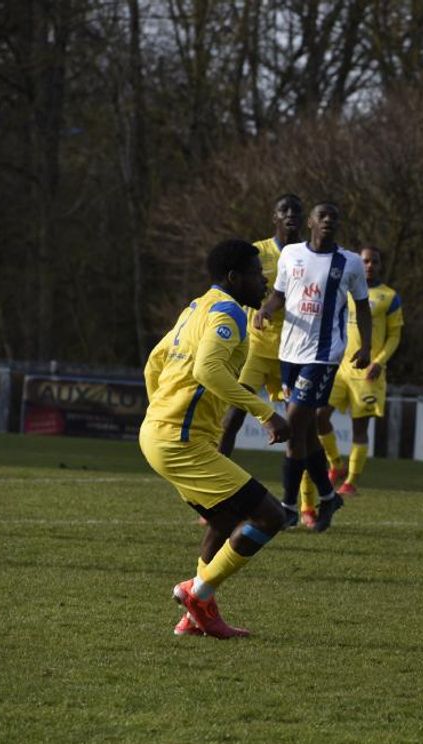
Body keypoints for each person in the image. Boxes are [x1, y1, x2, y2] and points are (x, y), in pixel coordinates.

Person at [139, 239, 292, 638]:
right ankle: (198, 592)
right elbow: (209, 370)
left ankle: (196, 618)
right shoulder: (229, 313)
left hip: (161, 435)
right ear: (234, 277)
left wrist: (162, 410)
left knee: (224, 518)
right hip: (178, 440)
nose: (265, 282)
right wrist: (266, 413)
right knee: (271, 515)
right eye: (259, 274)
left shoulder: (195, 307)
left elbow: (153, 363)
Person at [254, 201, 372, 533]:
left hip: (323, 355)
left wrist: (366, 345)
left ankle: (288, 507)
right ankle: (328, 495)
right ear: (310, 222)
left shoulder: (348, 262)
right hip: (289, 353)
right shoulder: (291, 255)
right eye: (323, 216)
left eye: (334, 217)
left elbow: (362, 307)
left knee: (292, 428)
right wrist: (265, 310)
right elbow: (279, 295)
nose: (329, 221)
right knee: (305, 434)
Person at [298, 245, 403, 525]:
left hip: (368, 372)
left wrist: (378, 361)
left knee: (360, 429)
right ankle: (336, 463)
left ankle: (351, 480)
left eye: (374, 262)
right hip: (337, 367)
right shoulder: (345, 290)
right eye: (365, 261)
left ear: (379, 265)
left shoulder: (389, 297)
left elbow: (394, 335)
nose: (369, 266)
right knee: (319, 417)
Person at [218, 194, 304, 457]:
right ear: (274, 217)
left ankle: (303, 497)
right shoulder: (257, 252)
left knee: (297, 427)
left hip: (292, 349)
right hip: (255, 346)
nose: (290, 214)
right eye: (284, 210)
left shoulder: (307, 255)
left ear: (303, 219)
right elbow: (232, 289)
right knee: (233, 415)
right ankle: (216, 478)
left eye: (296, 211)